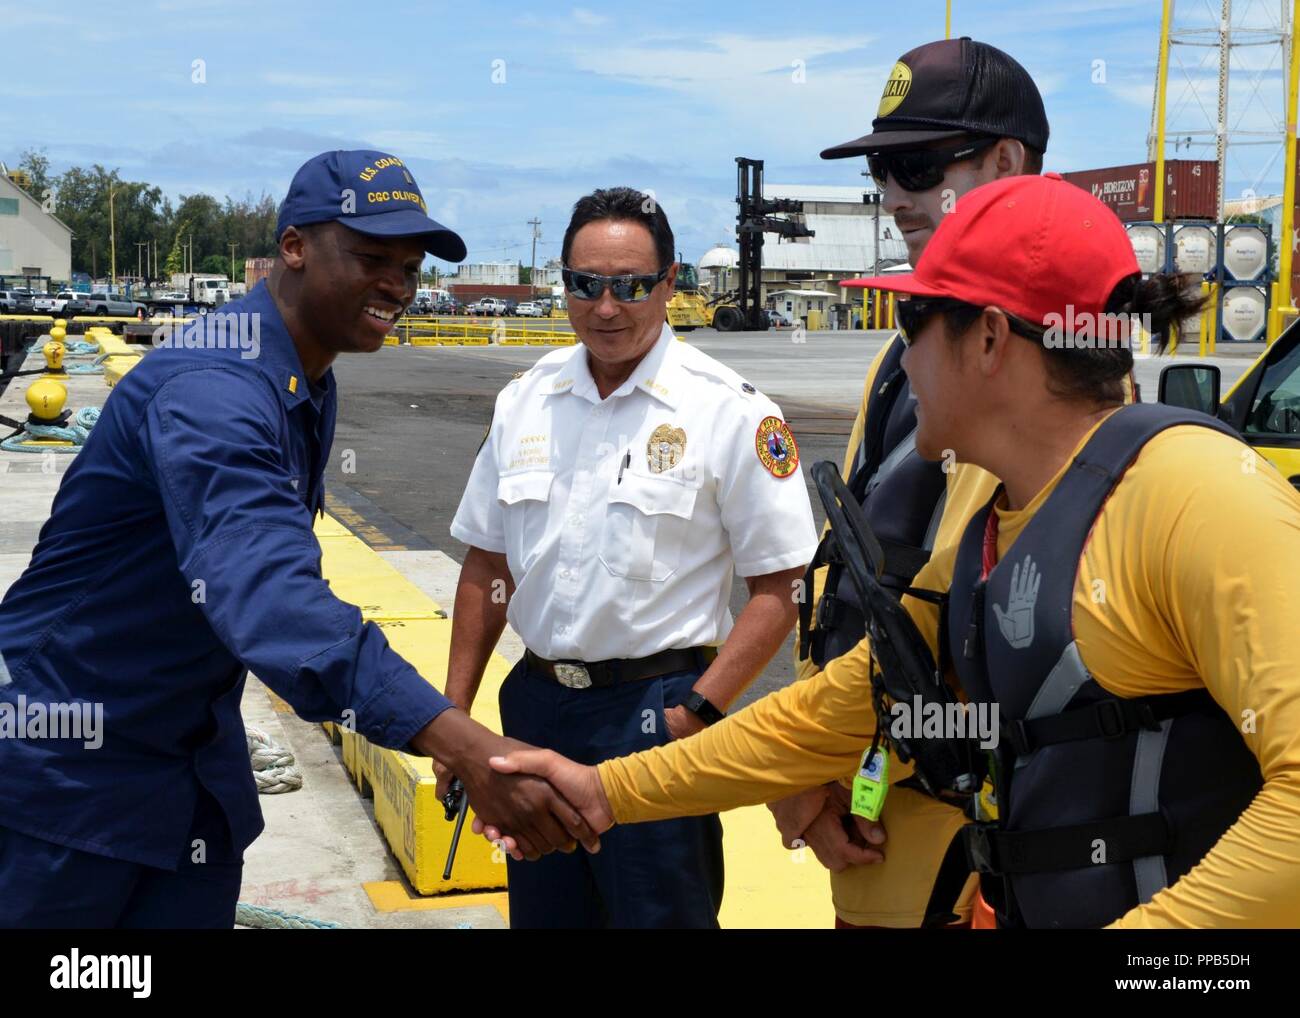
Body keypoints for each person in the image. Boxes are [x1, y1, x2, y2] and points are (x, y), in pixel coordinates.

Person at [480, 173, 1300, 928]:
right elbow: (832, 714)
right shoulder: (990, 528)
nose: (899, 356)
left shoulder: (1197, 495)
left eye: (913, 322)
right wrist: (603, 790)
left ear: (988, 340)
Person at [0, 150, 597, 930]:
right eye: (372, 258)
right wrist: (464, 747)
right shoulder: (213, 390)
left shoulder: (305, 377)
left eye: (410, 267)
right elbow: (273, 598)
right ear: (293, 248)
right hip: (70, 775)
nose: (398, 286)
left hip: (183, 764)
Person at [443, 186, 818, 928]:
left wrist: (697, 713)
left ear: (669, 284)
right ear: (565, 284)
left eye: (630, 285)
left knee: (659, 916)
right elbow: (487, 567)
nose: (606, 307)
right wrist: (453, 719)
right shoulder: (525, 400)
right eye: (586, 285)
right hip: (537, 705)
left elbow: (783, 586)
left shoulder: (731, 410)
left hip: (654, 714)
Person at [772, 36, 1049, 928]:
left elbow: (969, 622)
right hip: (874, 804)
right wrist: (823, 774)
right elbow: (862, 570)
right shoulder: (904, 353)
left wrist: (806, 762)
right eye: (884, 167)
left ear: (1007, 162)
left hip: (967, 834)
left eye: (919, 164)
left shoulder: (1053, 363)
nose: (892, 195)